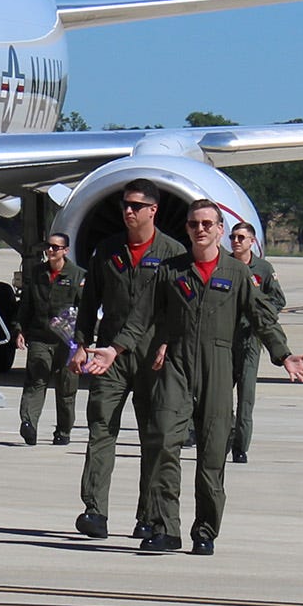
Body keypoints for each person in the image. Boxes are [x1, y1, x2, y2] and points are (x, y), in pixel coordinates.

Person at [126, 200, 303, 554]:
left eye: (208, 224)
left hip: (219, 364)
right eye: (194, 224)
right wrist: (114, 348)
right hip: (177, 365)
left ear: (220, 229)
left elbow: (262, 318)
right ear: (187, 228)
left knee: (212, 455)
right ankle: (166, 529)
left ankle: (205, 531)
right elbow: (140, 317)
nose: (201, 230)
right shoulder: (170, 271)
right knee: (164, 441)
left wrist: (283, 354)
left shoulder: (236, 273)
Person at [70, 183, 185, 540]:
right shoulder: (107, 251)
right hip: (109, 356)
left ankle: (148, 515)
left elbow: (179, 310)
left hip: (154, 356)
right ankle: (95, 510)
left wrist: (169, 344)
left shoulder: (173, 254)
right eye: (125, 205)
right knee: (101, 429)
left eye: (137, 206)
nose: (129, 211)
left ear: (154, 210)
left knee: (154, 436)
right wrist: (80, 344)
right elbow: (89, 303)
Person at [14, 230, 80, 446]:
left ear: (65, 251)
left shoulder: (77, 276)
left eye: (55, 247)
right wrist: (20, 329)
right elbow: (26, 305)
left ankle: (63, 430)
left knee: (66, 389)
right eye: (48, 246)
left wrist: (83, 341)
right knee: (36, 380)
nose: (50, 251)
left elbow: (87, 310)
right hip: (40, 337)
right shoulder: (37, 273)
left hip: (67, 341)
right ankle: (28, 424)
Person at [227, 220, 284, 463]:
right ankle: (217, 438)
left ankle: (240, 446)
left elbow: (278, 300)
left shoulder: (262, 269)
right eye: (233, 237)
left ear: (252, 241)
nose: (236, 241)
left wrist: (260, 315)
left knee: (246, 396)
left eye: (241, 237)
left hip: (249, 339)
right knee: (214, 395)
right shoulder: (224, 265)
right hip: (224, 338)